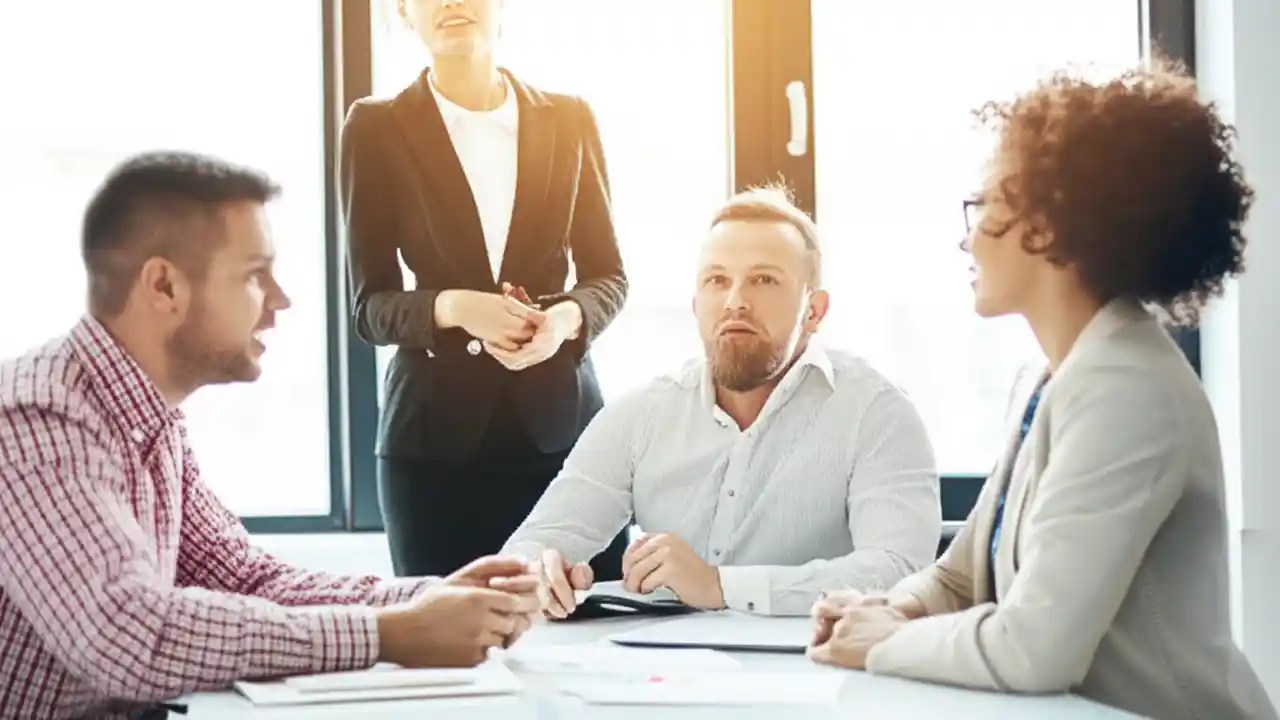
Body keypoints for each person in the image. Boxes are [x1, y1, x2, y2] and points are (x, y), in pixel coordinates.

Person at [807, 62, 1278, 720]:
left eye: (985, 206)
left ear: (1049, 226)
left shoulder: (1125, 389)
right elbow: (961, 575)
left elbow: (1034, 648)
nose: (967, 235)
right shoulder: (1056, 375)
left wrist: (888, 641)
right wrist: (891, 607)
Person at [0, 153, 540, 719]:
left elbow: (242, 579)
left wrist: (426, 599)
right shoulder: (36, 417)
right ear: (164, 286)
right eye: (255, 275)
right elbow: (131, 635)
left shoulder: (147, 421)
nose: (280, 301)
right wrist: (388, 633)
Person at [502, 186, 941, 618]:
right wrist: (540, 574)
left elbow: (902, 573)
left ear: (814, 311)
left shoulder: (877, 413)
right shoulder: (640, 415)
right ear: (696, 304)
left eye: (763, 280)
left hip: (817, 674)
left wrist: (720, 585)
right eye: (717, 280)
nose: (735, 302)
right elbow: (531, 549)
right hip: (664, 676)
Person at [339, 0, 629, 579]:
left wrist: (563, 322)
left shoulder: (569, 119)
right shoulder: (375, 127)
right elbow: (370, 308)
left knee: (597, 634)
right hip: (435, 451)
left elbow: (608, 276)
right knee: (453, 645)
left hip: (567, 439)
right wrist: (456, 307)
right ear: (403, 13)